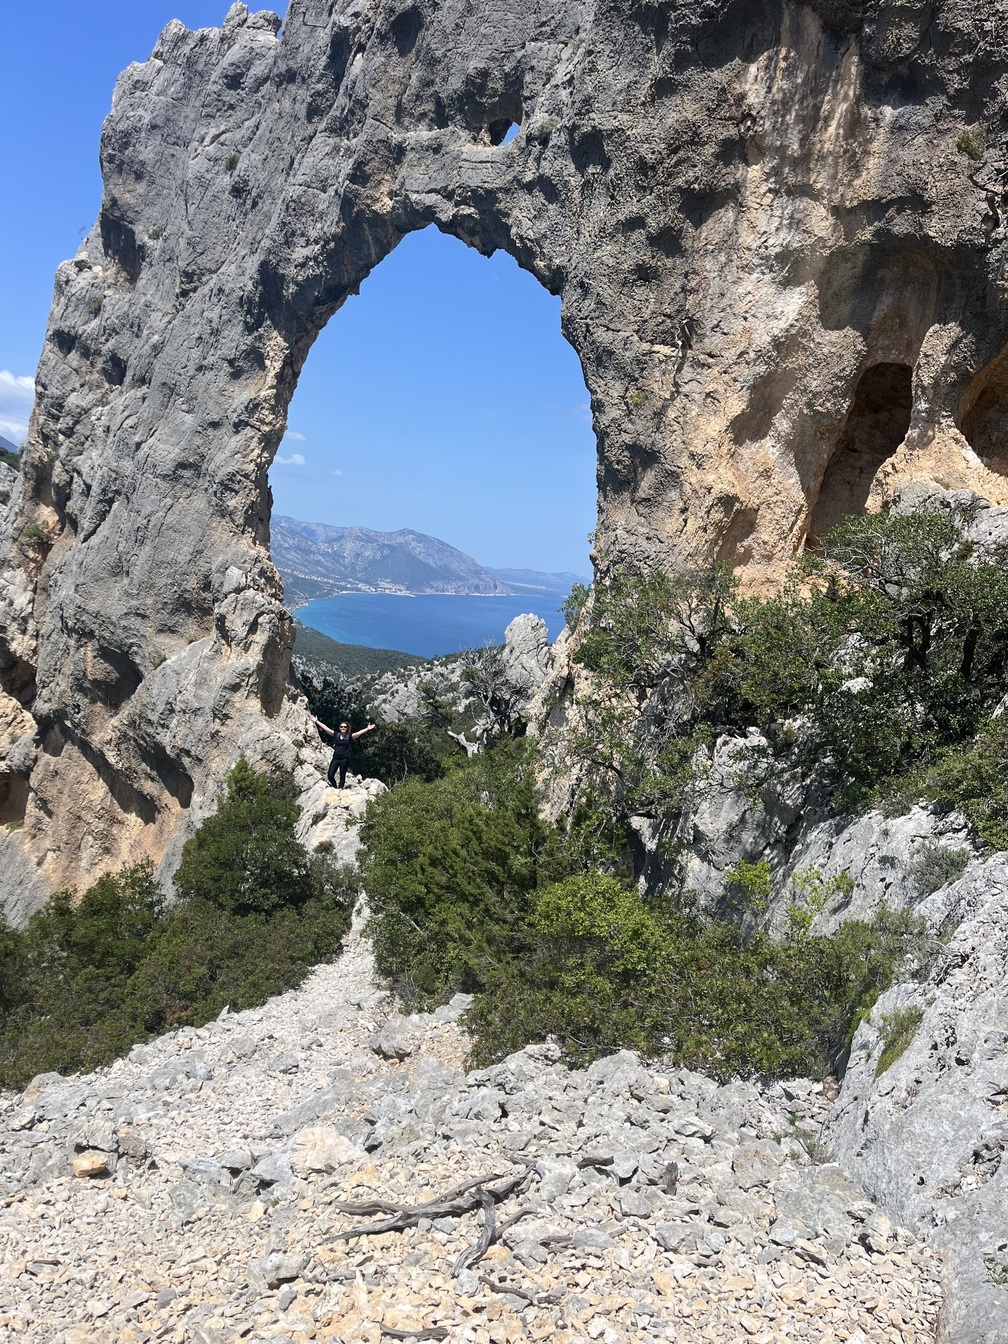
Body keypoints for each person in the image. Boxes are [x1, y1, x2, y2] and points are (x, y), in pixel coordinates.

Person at [311, 714, 376, 789]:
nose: (343, 728)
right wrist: (316, 721)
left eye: (345, 727)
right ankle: (335, 787)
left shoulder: (349, 736)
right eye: (341, 727)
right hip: (335, 758)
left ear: (347, 728)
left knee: (342, 775)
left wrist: (367, 729)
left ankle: (340, 789)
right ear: (339, 728)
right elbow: (326, 728)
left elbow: (358, 733)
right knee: (330, 775)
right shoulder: (336, 735)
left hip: (345, 759)